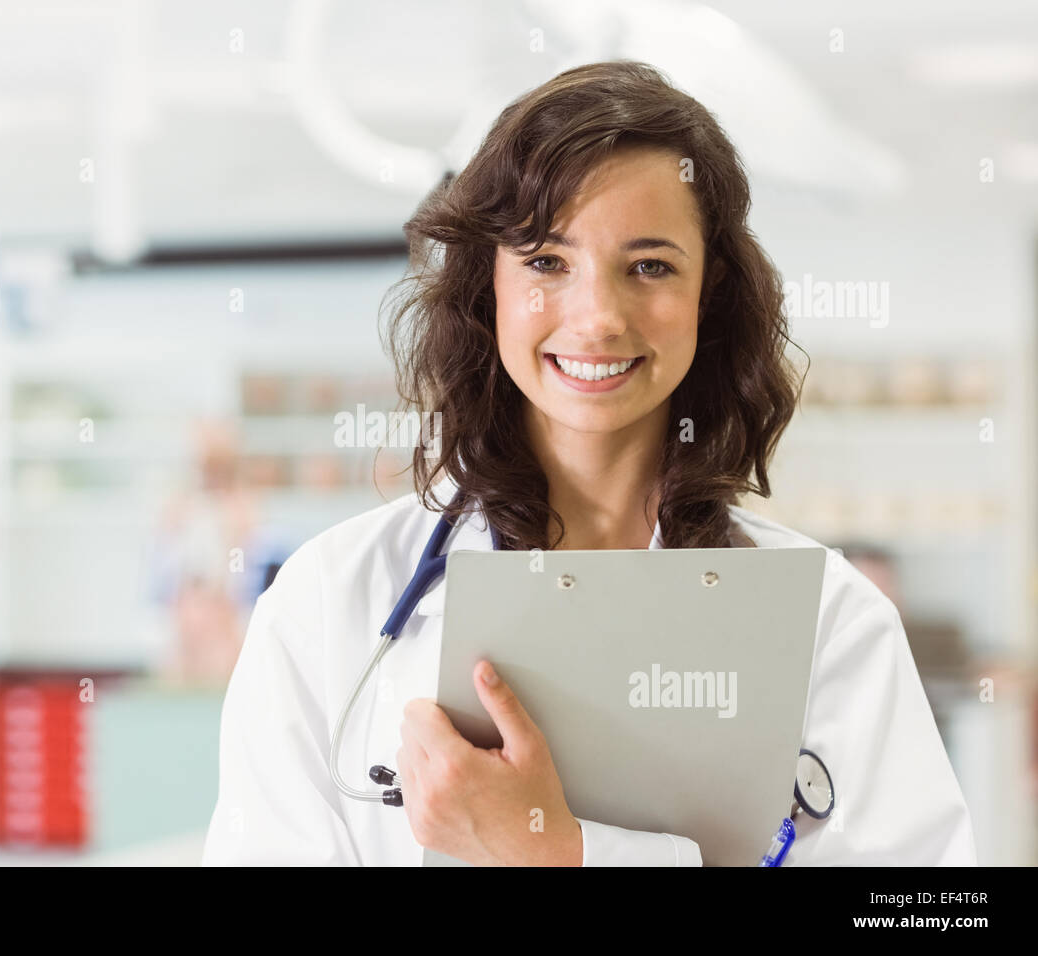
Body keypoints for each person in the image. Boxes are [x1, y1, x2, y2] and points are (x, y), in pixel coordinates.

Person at [201, 61, 977, 866]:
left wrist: (562, 855)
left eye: (650, 266)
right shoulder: (331, 604)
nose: (598, 317)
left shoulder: (831, 624)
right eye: (545, 261)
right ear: (486, 288)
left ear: (710, 294)